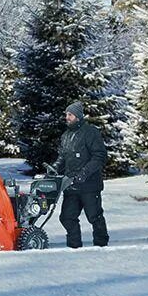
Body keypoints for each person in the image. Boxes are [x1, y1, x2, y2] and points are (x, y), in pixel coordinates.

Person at [52, 100, 109, 248]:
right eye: (66, 114)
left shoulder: (90, 132)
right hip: (71, 185)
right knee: (66, 217)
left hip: (89, 186)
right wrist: (54, 168)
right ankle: (74, 247)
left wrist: (85, 172)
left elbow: (99, 156)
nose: (67, 117)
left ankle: (101, 246)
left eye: (70, 114)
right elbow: (62, 157)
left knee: (94, 217)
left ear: (78, 116)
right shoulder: (66, 135)